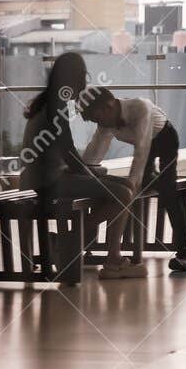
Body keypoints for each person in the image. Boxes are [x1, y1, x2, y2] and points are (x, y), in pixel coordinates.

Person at [18, 53, 131, 270]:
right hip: (48, 182)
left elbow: (64, 153)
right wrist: (90, 175)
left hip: (45, 177)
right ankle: (76, 244)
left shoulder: (48, 101)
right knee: (123, 193)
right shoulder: (55, 107)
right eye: (82, 77)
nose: (84, 82)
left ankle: (71, 242)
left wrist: (90, 174)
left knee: (123, 185)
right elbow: (68, 151)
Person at [81, 89, 186, 277]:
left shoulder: (140, 107)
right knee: (139, 184)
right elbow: (96, 147)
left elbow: (142, 150)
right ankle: (102, 247)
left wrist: (131, 184)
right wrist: (84, 170)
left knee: (167, 190)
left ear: (109, 106)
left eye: (98, 119)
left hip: (165, 138)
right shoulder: (105, 121)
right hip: (144, 145)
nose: (99, 124)